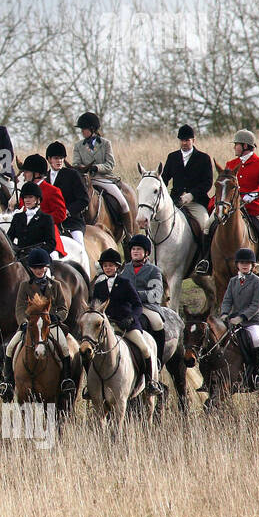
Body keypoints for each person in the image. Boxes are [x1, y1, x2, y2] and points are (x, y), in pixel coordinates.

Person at [0, 247, 75, 399]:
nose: (39, 270)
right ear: (31, 268)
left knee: (64, 347)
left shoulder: (56, 285)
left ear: (46, 267)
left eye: (41, 267)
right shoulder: (24, 286)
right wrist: (23, 322)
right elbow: (19, 308)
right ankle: (8, 383)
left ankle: (66, 379)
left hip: (49, 325)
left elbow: (63, 308)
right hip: (31, 325)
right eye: (36, 268)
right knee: (10, 347)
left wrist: (57, 317)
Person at [89, 248, 159, 388]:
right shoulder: (98, 286)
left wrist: (131, 318)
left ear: (117, 267)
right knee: (86, 351)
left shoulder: (125, 283)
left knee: (145, 349)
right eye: (105, 266)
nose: (108, 268)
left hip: (126, 324)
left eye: (111, 265)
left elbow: (138, 305)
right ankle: (90, 387)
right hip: (106, 326)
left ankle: (151, 382)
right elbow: (94, 308)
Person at [117, 235, 167, 394]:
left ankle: (157, 360)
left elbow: (157, 293)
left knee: (157, 323)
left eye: (139, 249)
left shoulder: (154, 270)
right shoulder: (124, 270)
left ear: (146, 253)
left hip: (147, 306)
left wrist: (135, 294)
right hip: (127, 307)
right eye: (133, 249)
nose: (135, 252)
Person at [161, 125, 214, 273]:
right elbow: (164, 179)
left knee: (205, 225)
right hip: (175, 201)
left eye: (187, 140)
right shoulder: (172, 157)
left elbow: (208, 182)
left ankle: (205, 260)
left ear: (193, 140)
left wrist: (192, 195)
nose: (184, 143)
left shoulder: (203, 158)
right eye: (182, 140)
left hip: (196, 202)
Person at [224, 129, 259, 277]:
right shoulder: (231, 164)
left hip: (254, 207)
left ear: (245, 146)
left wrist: (254, 194)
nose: (234, 147)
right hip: (232, 207)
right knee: (210, 224)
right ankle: (206, 259)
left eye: (236, 144)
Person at [220, 248, 259, 390]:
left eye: (248, 263)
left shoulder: (257, 281)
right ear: (237, 264)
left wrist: (242, 317)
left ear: (253, 265)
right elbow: (227, 300)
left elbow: (256, 304)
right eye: (242, 262)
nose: (245, 265)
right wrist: (224, 313)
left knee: (255, 339)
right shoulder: (233, 281)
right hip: (235, 320)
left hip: (254, 320)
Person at [72, 112, 128, 229]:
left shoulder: (106, 144)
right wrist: (83, 168)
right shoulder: (78, 146)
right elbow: (75, 164)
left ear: (92, 129)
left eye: (84, 128)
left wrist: (97, 167)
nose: (82, 131)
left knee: (123, 204)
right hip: (85, 180)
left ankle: (129, 234)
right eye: (81, 129)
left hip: (103, 178)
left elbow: (110, 164)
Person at [19, 154, 68, 258]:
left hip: (47, 237)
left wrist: (40, 222)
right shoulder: (25, 190)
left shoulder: (52, 191)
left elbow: (61, 214)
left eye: (26, 172)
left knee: (52, 259)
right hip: (25, 238)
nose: (24, 175)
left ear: (36, 173)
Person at [45, 141, 89, 245]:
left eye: (61, 158)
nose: (59, 161)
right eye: (56, 158)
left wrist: (67, 211)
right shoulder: (44, 178)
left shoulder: (73, 175)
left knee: (78, 243)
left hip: (72, 221)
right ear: (49, 159)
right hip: (50, 222)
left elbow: (84, 199)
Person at [7, 182, 58, 261]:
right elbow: (9, 238)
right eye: (25, 197)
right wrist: (15, 249)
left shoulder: (46, 218)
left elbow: (51, 243)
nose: (27, 200)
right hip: (19, 257)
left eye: (30, 197)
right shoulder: (17, 217)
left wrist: (37, 252)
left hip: (39, 259)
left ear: (37, 199)